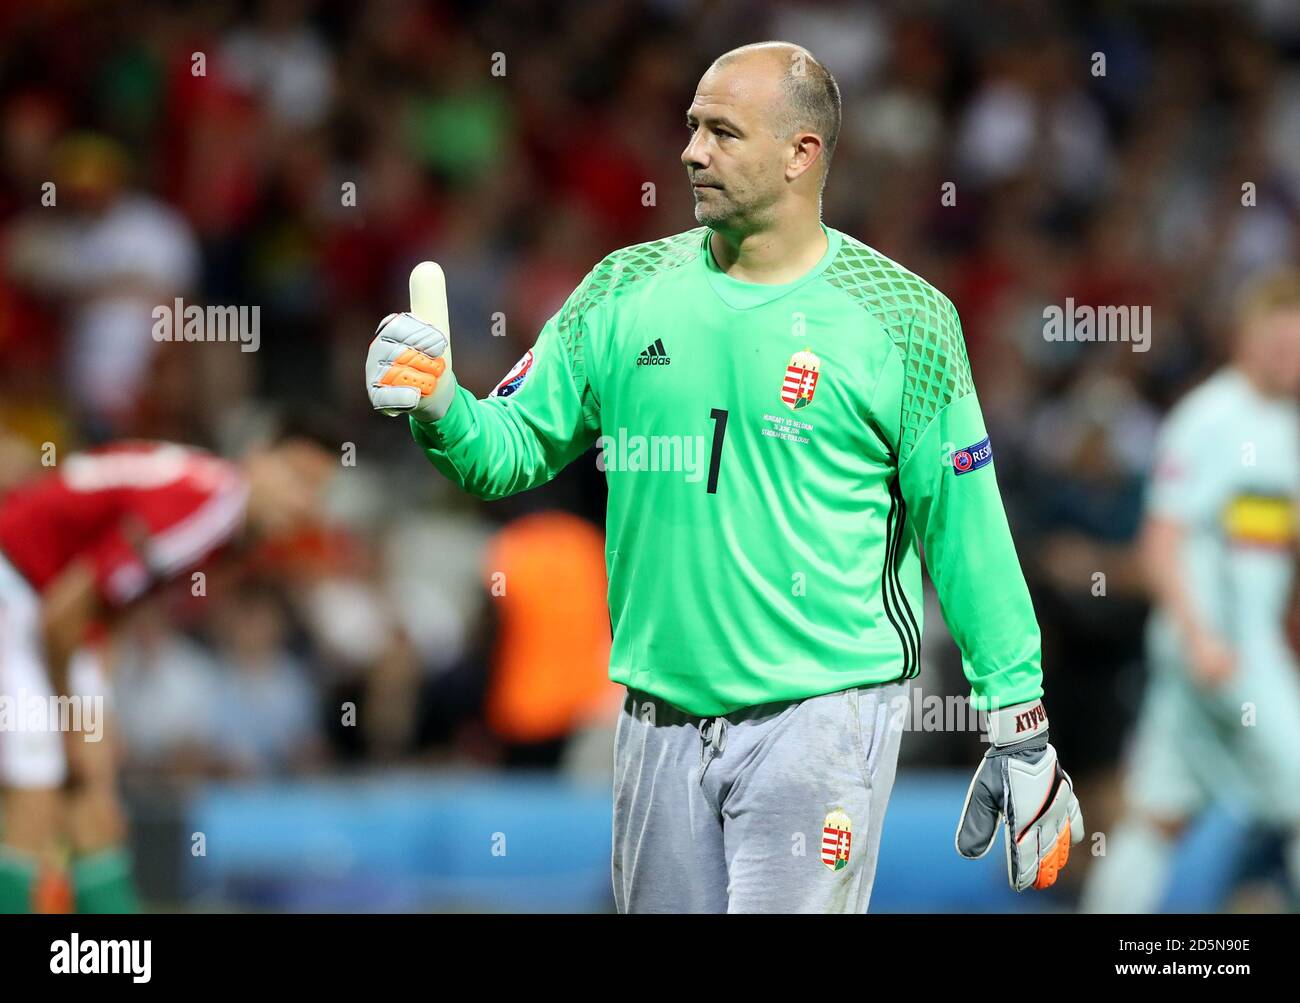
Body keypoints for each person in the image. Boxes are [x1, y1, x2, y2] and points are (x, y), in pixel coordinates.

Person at [366, 41, 1082, 913]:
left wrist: (1020, 720)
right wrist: (440, 404)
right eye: (692, 126)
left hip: (820, 715)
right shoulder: (620, 289)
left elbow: (965, 529)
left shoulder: (905, 319)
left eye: (723, 131)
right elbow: (507, 448)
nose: (691, 150)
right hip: (653, 719)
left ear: (801, 153)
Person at [0, 425, 336, 912]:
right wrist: (71, 716)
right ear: (258, 455)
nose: (303, 503)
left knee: (93, 784)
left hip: (42, 599)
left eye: (317, 490)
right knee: (39, 785)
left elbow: (108, 602)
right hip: (16, 586)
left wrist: (97, 702)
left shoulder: (209, 497)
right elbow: (61, 617)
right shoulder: (207, 510)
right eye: (297, 478)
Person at [1082, 270, 1300, 913]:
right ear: (1244, 340)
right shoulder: (1209, 418)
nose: (1288, 359)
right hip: (1218, 648)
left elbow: (1268, 549)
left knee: (1160, 810)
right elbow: (1160, 541)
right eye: (1277, 345)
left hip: (1242, 645)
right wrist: (1200, 636)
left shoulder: (1287, 424)